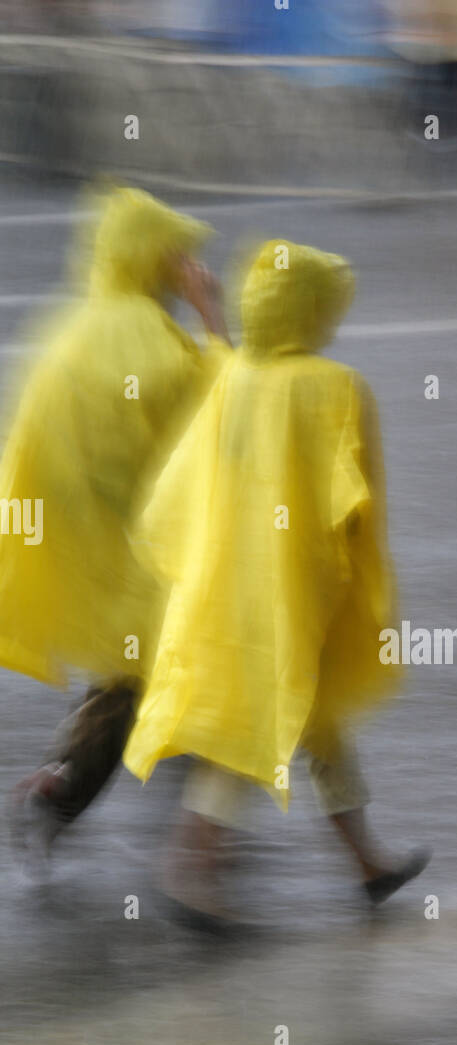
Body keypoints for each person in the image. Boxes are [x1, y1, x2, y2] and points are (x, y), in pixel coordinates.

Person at [122, 239, 429, 919]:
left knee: (312, 723)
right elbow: (349, 499)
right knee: (260, 723)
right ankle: (186, 863)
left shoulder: (237, 379)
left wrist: (207, 310)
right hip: (294, 592)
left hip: (226, 588)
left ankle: (367, 862)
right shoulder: (336, 388)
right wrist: (355, 584)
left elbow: (226, 368)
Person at [1, 185, 229, 867]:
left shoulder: (65, 331)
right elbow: (231, 411)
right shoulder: (155, 341)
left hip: (86, 546)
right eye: (179, 255)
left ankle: (62, 783)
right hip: (150, 547)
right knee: (179, 667)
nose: (188, 264)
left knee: (131, 673)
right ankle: (196, 838)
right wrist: (210, 314)